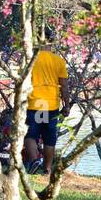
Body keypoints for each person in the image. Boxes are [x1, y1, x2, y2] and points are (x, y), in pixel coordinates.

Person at [23, 30, 69, 176]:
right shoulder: (58, 61)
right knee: (49, 138)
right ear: (52, 41)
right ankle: (47, 169)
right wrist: (66, 104)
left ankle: (35, 161)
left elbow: (21, 81)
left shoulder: (30, 59)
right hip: (51, 105)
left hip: (35, 103)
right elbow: (64, 85)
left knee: (31, 135)